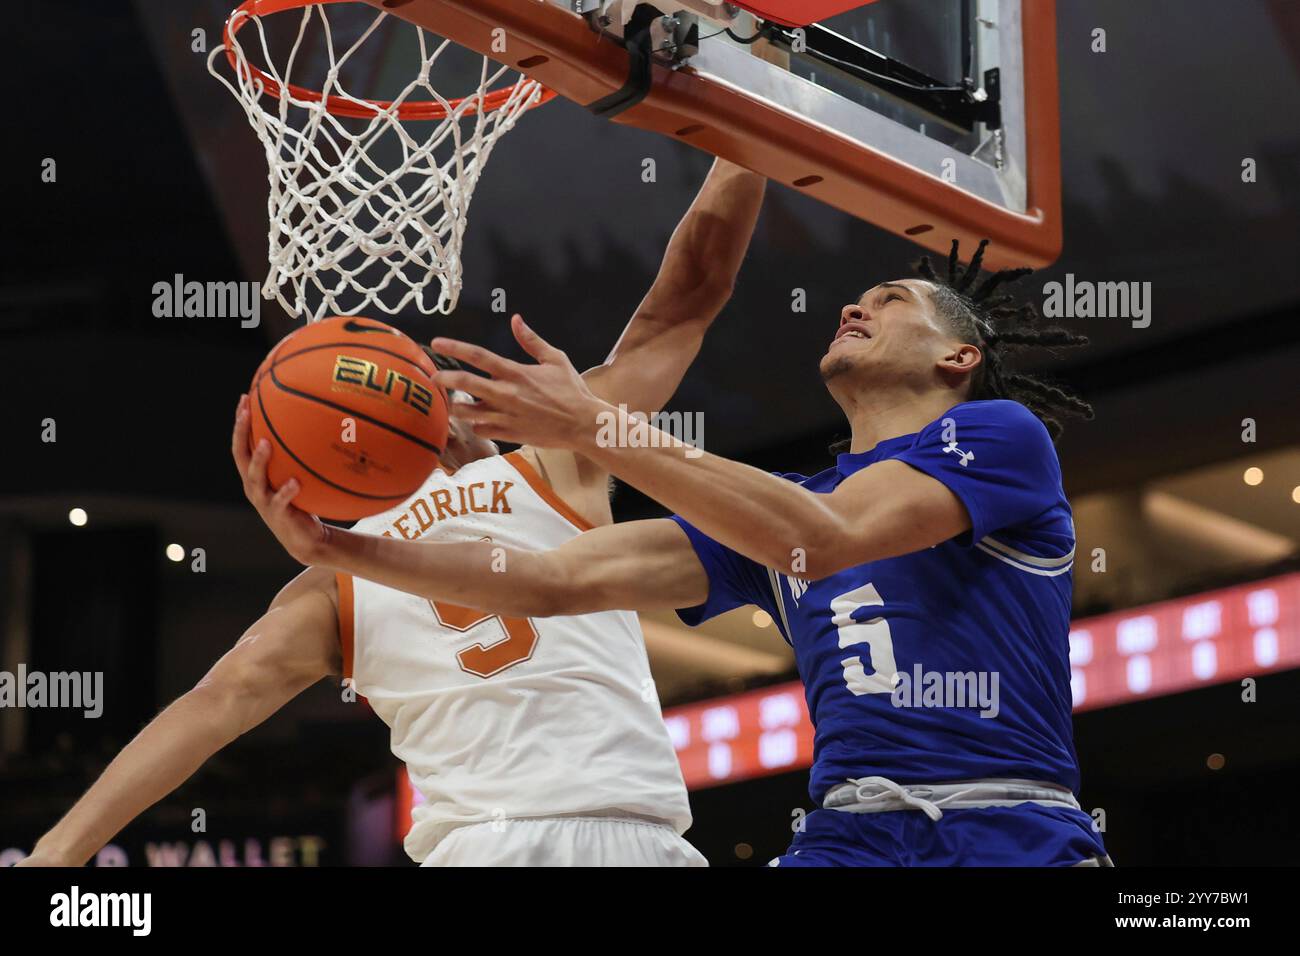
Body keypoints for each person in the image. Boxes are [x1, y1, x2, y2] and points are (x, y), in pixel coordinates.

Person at [248, 240, 1112, 866]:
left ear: (959, 355)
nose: (856, 306)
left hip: (1007, 827)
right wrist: (341, 547)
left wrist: (593, 423)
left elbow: (831, 537)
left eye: (889, 300)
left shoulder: (1000, 437)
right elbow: (550, 579)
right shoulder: (771, 512)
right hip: (850, 837)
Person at [18, 159, 767, 868]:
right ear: (420, 410)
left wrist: (59, 850)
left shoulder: (331, 575)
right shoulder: (555, 464)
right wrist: (743, 137)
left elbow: (216, 702)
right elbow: (683, 305)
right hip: (622, 838)